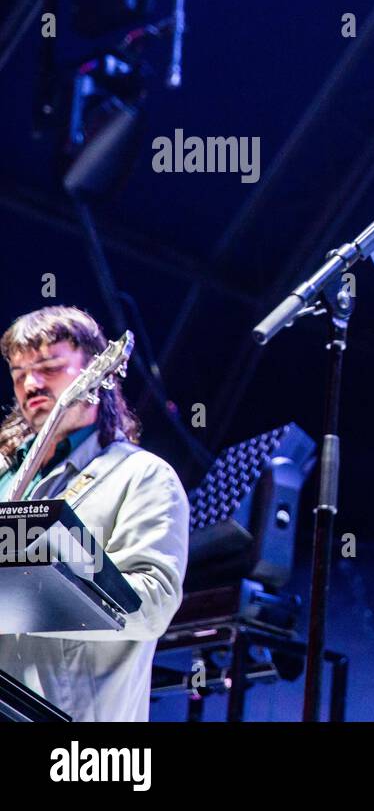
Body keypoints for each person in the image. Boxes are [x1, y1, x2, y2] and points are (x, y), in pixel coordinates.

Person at [0, 305, 189, 721]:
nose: (30, 383)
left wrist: (31, 589)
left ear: (96, 375)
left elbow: (153, 603)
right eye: (18, 373)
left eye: (49, 367)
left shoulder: (142, 476)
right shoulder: (3, 474)